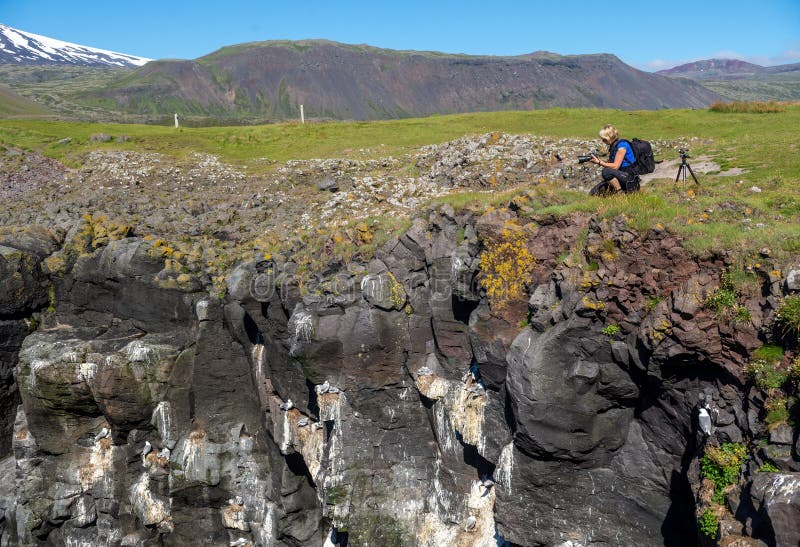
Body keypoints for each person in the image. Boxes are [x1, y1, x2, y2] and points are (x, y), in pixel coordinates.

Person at [588, 125, 640, 195]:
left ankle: (620, 193)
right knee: (594, 192)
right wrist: (599, 161)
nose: (603, 141)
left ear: (610, 137)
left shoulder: (622, 146)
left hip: (630, 178)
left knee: (606, 172)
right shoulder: (614, 145)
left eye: (604, 139)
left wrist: (599, 162)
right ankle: (617, 190)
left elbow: (615, 166)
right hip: (622, 175)